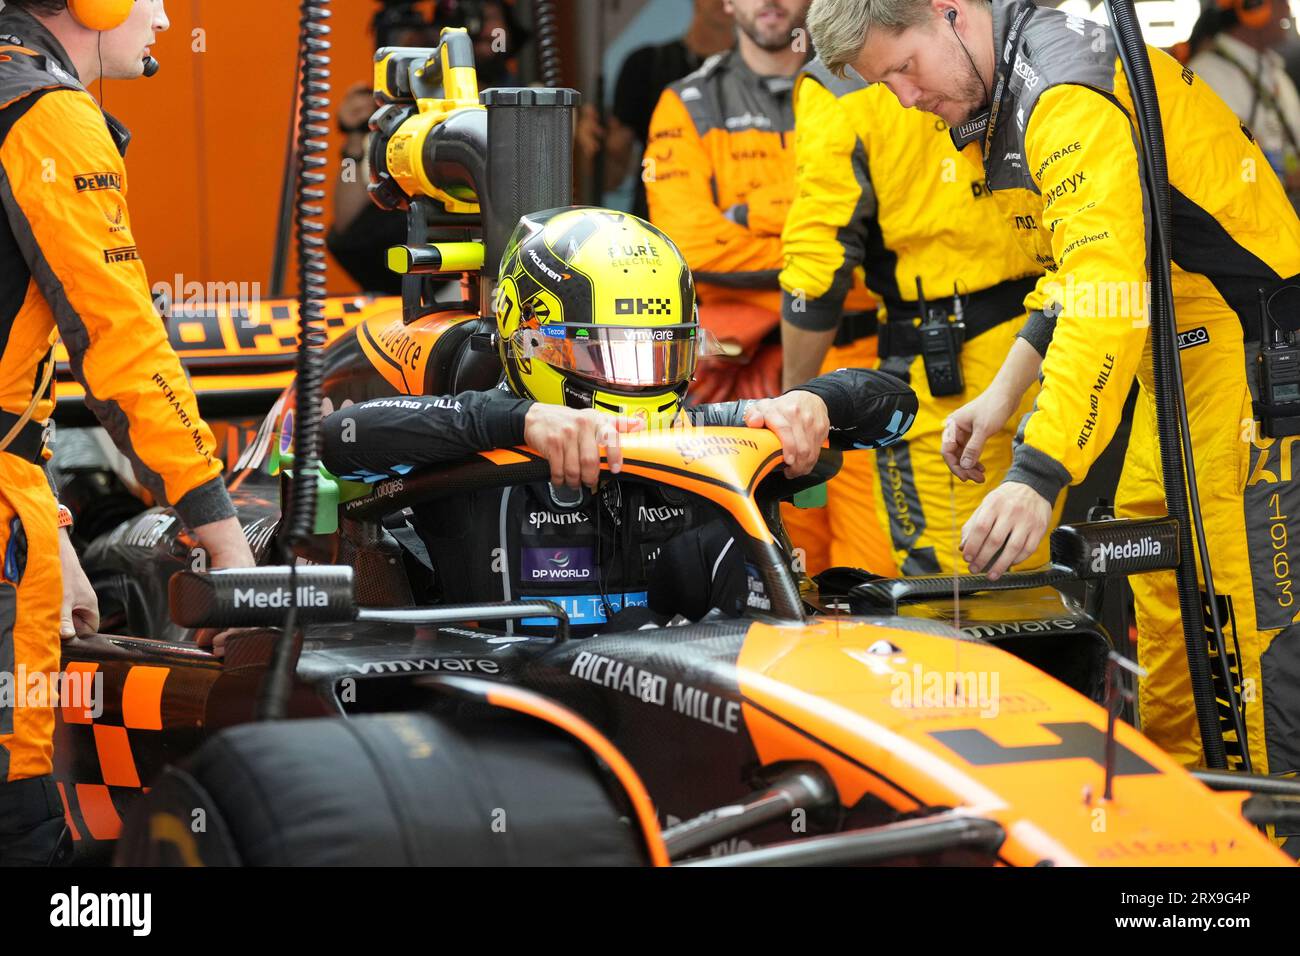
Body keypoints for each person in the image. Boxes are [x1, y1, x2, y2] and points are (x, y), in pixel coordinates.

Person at [808, 0, 1300, 820]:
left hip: (1248, 356)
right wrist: (1003, 395)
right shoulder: (1010, 82)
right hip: (1179, 352)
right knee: (1171, 617)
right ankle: (1187, 842)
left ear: (949, 13)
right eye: (880, 83)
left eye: (902, 67)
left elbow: (1107, 294)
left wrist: (1038, 474)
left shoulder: (1063, 89)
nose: (904, 98)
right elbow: (1075, 266)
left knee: (1241, 632)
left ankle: (1270, 842)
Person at [321, 207, 917, 632]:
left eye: (656, 353)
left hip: (692, 710)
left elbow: (897, 405)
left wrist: (815, 404)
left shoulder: (716, 436)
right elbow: (338, 440)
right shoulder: (471, 444)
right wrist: (516, 424)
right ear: (530, 342)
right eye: (606, 353)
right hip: (513, 723)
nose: (637, 381)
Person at [0, 0, 254, 865]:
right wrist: (222, 536)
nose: (164, 13)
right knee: (22, 824)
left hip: (15, 506)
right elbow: (124, 346)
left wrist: (53, 534)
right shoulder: (46, 114)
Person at [780, 55, 1049, 575]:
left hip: (950, 374)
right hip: (1050, 342)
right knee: (1023, 565)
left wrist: (794, 400)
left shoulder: (841, 78)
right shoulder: (987, 34)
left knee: (951, 587)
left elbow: (817, 271)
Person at [646, 0, 886, 575]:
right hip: (751, 382)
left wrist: (750, 212)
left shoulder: (869, 85)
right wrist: (825, 243)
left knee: (880, 572)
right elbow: (689, 242)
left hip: (867, 364)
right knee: (780, 571)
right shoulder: (687, 102)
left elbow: (890, 230)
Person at [575, 0, 734, 217]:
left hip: (740, 229)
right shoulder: (646, 64)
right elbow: (610, 178)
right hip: (659, 227)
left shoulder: (764, 74)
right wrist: (589, 145)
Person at [1187, 0, 1300, 204]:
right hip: (1251, 218)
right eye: (1281, 1)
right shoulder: (1206, 75)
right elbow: (1221, 167)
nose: (1287, 8)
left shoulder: (1277, 74)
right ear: (1252, 7)